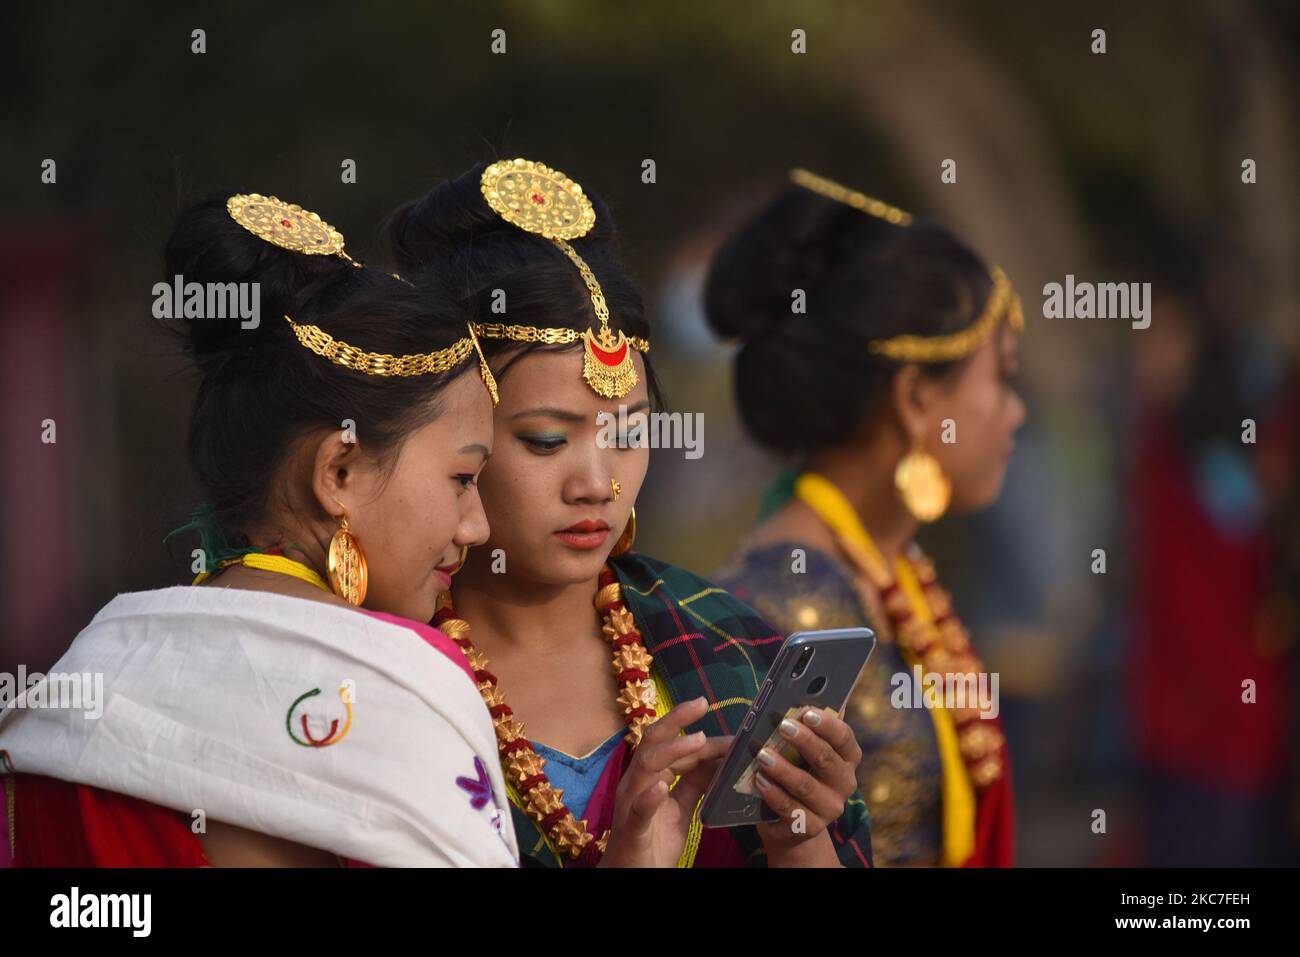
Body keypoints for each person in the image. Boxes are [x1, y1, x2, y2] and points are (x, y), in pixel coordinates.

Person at [0, 191, 516, 867]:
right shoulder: (404, 680)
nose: (477, 526)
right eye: (462, 478)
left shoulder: (87, 678)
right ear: (339, 471)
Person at [382, 158, 873, 866]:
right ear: (451, 441)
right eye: (547, 440)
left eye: (629, 434)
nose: (597, 484)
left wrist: (799, 835)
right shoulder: (378, 673)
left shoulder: (732, 651)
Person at [706, 169, 1022, 866]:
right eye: (1000, 377)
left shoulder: (893, 570)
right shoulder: (777, 606)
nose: (1015, 411)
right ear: (914, 398)